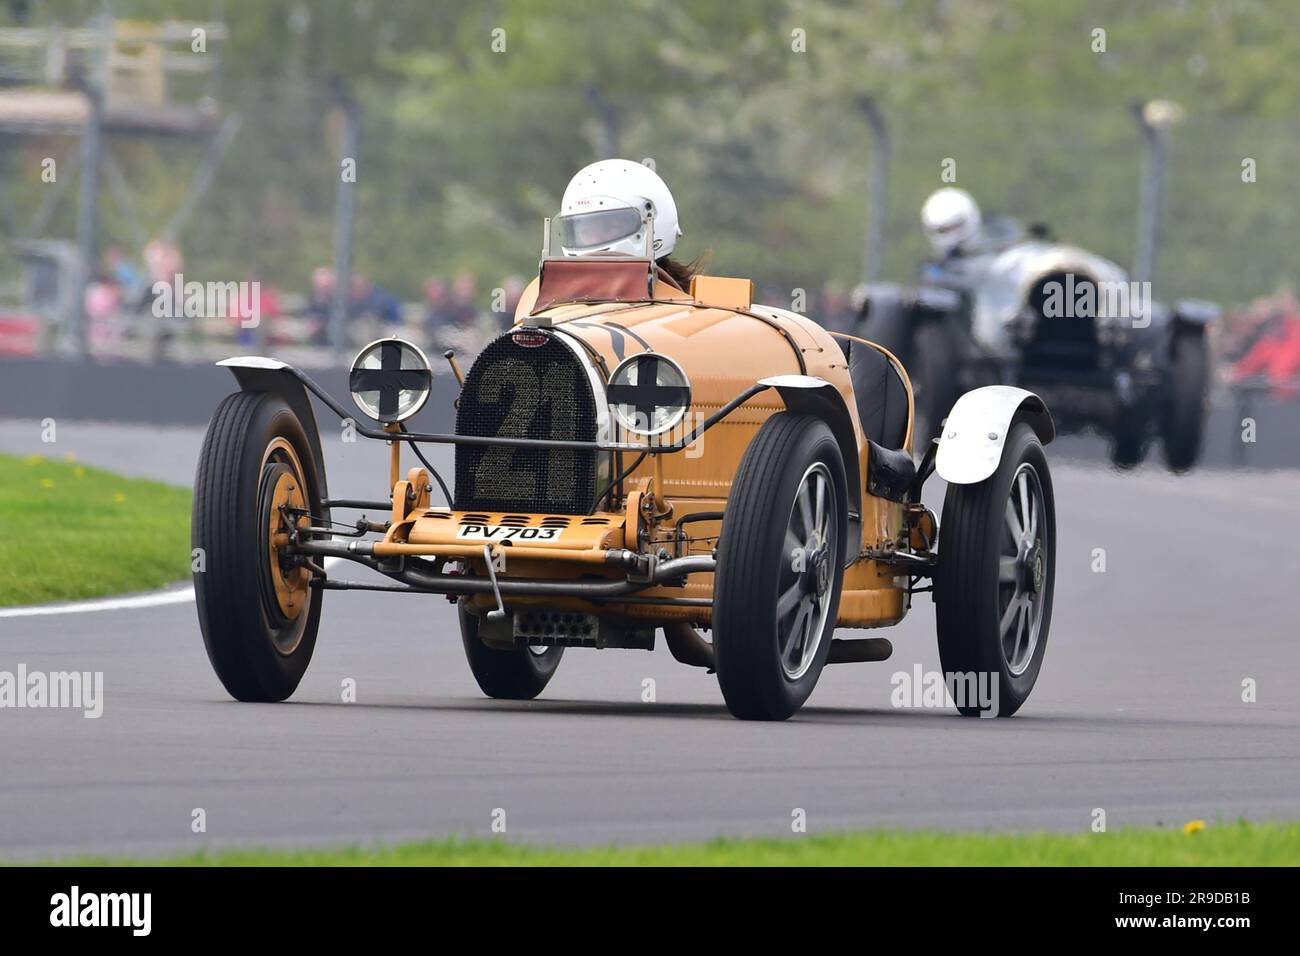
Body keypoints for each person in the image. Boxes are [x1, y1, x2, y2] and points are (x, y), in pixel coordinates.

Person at [556, 158, 701, 290]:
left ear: (651, 219)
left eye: (607, 227)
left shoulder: (697, 308)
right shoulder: (556, 302)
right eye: (586, 231)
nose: (594, 240)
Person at [920, 187, 983, 261]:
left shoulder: (996, 259)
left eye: (955, 227)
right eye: (943, 230)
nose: (952, 236)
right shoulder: (933, 268)